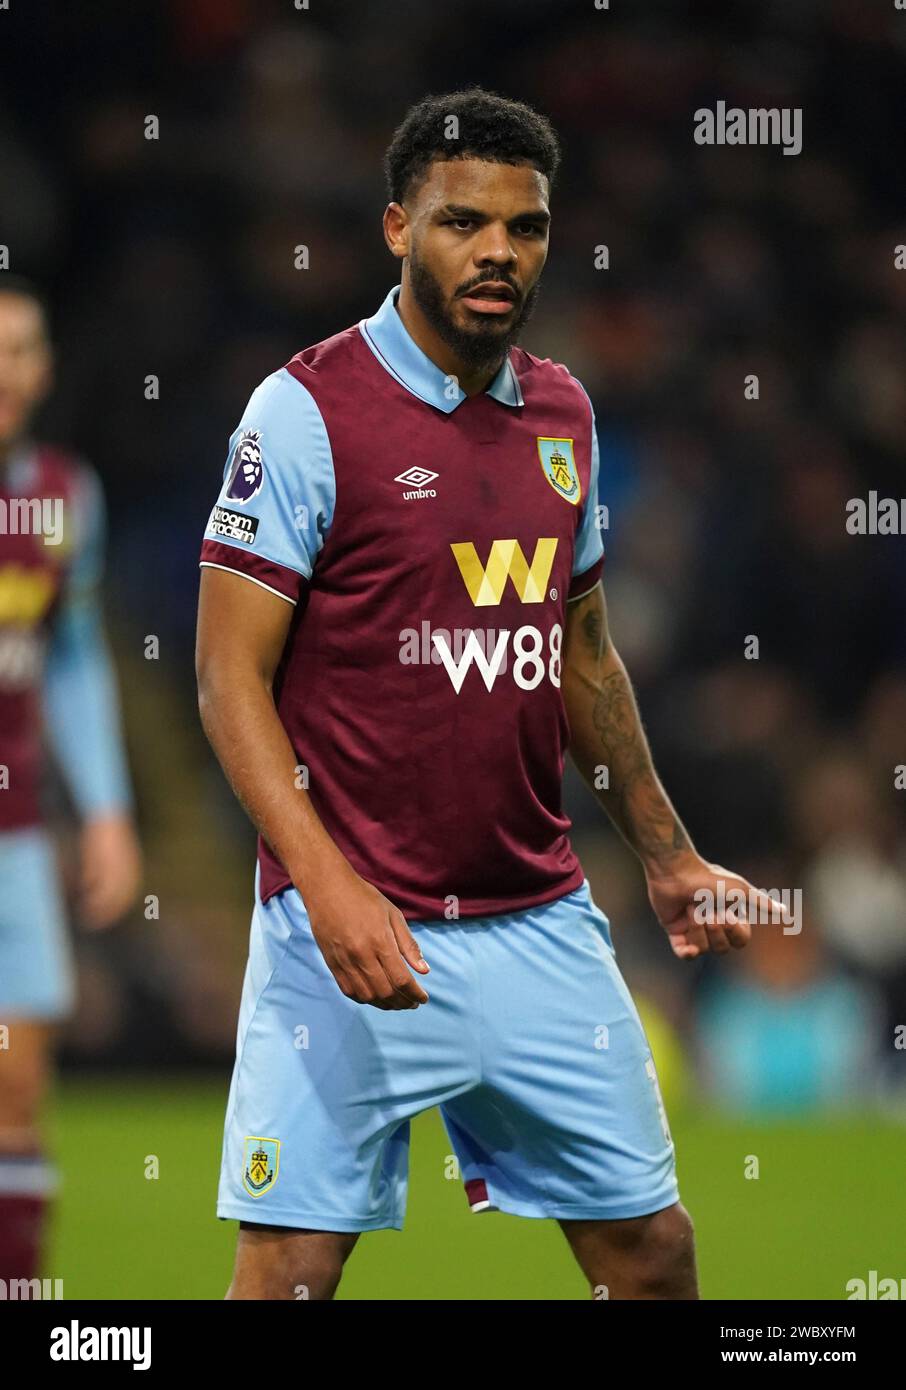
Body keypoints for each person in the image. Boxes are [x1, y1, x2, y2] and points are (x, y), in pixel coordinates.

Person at [196, 88, 768, 1301]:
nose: (499, 252)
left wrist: (666, 855)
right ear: (398, 226)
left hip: (537, 920)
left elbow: (583, 652)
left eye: (528, 227)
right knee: (287, 1276)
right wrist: (326, 882)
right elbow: (226, 679)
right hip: (347, 925)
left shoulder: (565, 413)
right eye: (465, 222)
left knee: (655, 1258)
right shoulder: (305, 414)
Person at [0, 276, 141, 1282]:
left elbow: (76, 656)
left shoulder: (63, 495)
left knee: (17, 1092)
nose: (6, 370)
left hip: (14, 843)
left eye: (23, 348)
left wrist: (106, 813)